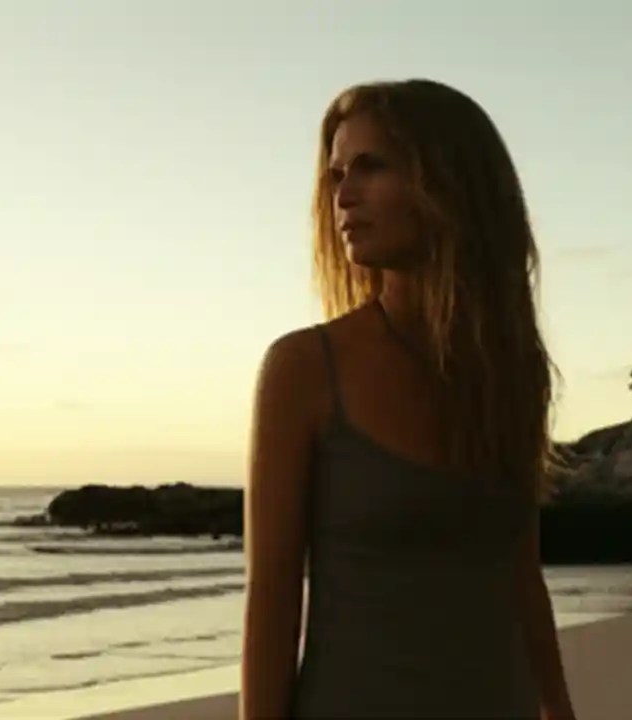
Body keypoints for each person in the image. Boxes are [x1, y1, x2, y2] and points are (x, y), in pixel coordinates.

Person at [240, 78, 577, 720]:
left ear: (447, 184)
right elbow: (273, 601)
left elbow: (520, 578)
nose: (342, 196)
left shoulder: (510, 371)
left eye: (372, 168)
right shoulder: (305, 369)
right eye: (336, 174)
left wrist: (560, 711)